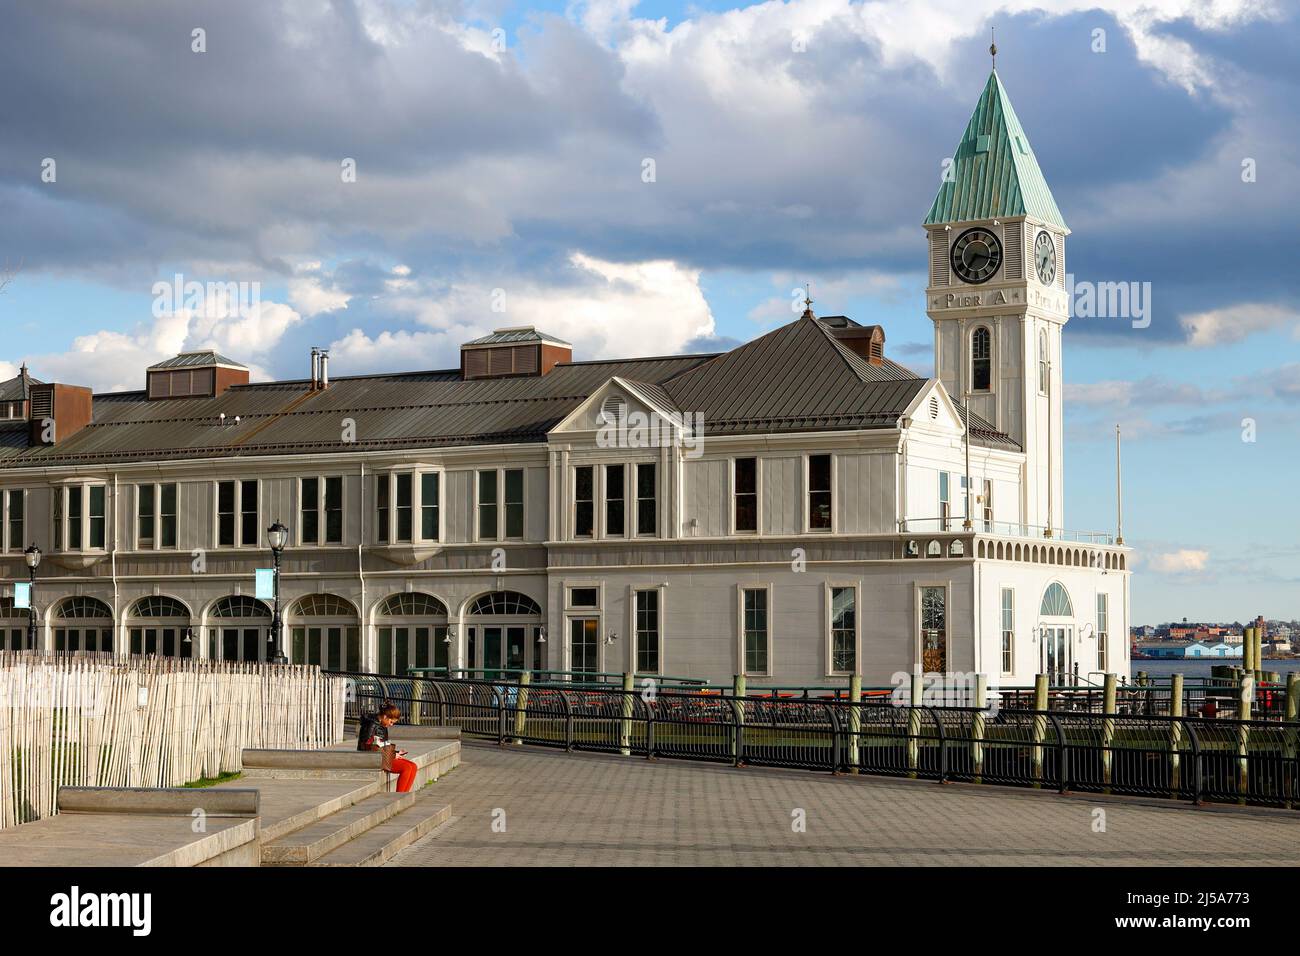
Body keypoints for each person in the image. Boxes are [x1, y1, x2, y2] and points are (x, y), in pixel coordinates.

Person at [357, 701, 416, 792]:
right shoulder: (371, 725)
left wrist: (395, 753)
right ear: (385, 716)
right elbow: (367, 746)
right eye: (391, 722)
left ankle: (404, 794)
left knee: (413, 766)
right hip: (371, 758)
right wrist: (392, 755)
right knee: (407, 768)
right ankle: (399, 796)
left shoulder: (382, 725)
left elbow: (382, 744)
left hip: (380, 756)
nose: (391, 725)